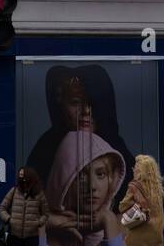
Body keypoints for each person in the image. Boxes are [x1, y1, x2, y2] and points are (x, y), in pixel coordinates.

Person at [26, 65, 135, 204]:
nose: (86, 111)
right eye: (75, 102)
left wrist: (112, 217)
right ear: (61, 105)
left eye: (93, 103)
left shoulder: (120, 153)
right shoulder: (44, 150)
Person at [37, 131, 126, 246]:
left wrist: (109, 221)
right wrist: (42, 222)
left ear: (111, 179)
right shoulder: (50, 240)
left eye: (100, 174)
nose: (92, 186)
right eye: (81, 177)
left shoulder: (120, 229)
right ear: (63, 181)